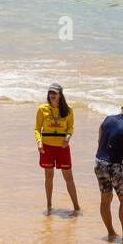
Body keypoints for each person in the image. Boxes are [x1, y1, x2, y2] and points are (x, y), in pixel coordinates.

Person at [95, 97, 123, 241]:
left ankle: (111, 232)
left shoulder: (107, 119)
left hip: (99, 163)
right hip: (114, 167)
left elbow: (99, 140)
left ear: (122, 108)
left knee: (105, 199)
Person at [36, 83, 80, 215]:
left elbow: (71, 127)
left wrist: (68, 136)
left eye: (54, 93)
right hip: (47, 147)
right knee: (49, 176)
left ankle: (77, 207)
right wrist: (39, 143)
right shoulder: (42, 109)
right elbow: (37, 128)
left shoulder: (68, 110)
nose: (52, 95)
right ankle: (49, 206)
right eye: (50, 93)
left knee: (69, 177)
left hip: (62, 147)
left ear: (60, 95)